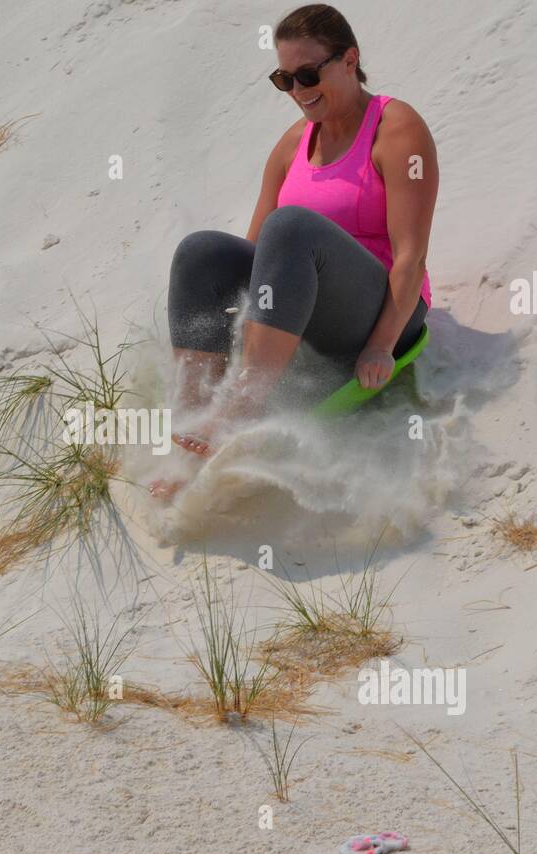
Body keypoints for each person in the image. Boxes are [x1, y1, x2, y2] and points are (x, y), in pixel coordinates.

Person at [153, 4, 438, 498]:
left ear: (350, 60)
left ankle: (240, 409)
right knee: (202, 252)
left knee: (293, 226)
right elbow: (258, 259)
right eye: (284, 80)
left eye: (308, 74)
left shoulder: (396, 128)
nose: (299, 91)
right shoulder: (291, 146)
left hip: (384, 309)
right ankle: (193, 418)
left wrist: (380, 345)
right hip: (308, 312)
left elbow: (411, 254)